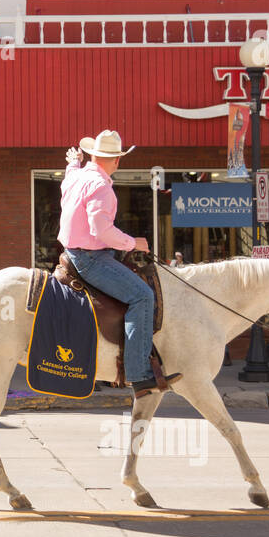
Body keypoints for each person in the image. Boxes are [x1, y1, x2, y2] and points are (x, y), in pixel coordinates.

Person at [59, 130, 178, 398]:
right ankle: (139, 375)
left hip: (73, 252)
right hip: (91, 258)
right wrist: (133, 243)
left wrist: (73, 162)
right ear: (116, 160)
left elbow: (68, 177)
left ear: (93, 155)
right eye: (118, 159)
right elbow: (101, 230)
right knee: (142, 296)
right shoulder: (102, 187)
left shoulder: (77, 176)